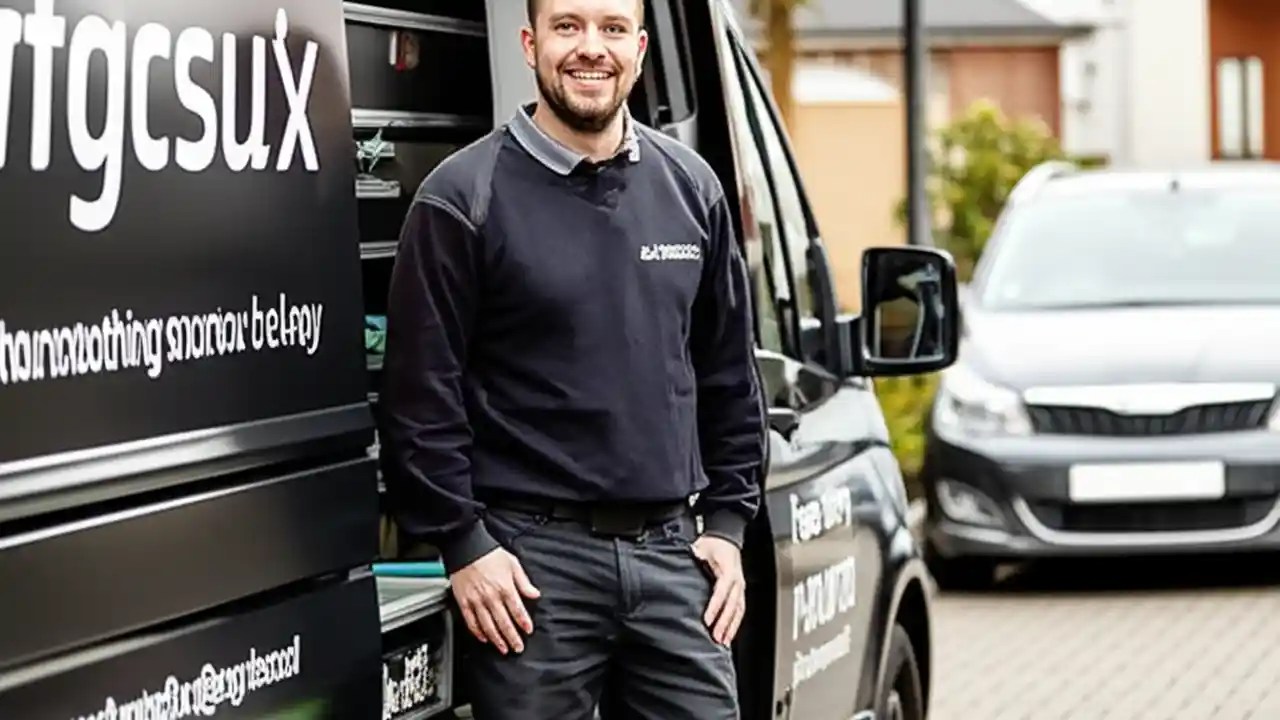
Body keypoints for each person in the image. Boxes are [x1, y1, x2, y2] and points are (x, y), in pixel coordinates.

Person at [378, 0, 766, 718]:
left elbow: (730, 377)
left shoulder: (693, 189)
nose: (592, 48)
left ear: (640, 48)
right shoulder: (462, 198)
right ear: (530, 43)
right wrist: (465, 545)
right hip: (529, 573)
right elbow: (418, 398)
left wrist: (727, 528)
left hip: (676, 561)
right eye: (568, 27)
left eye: (612, 29)